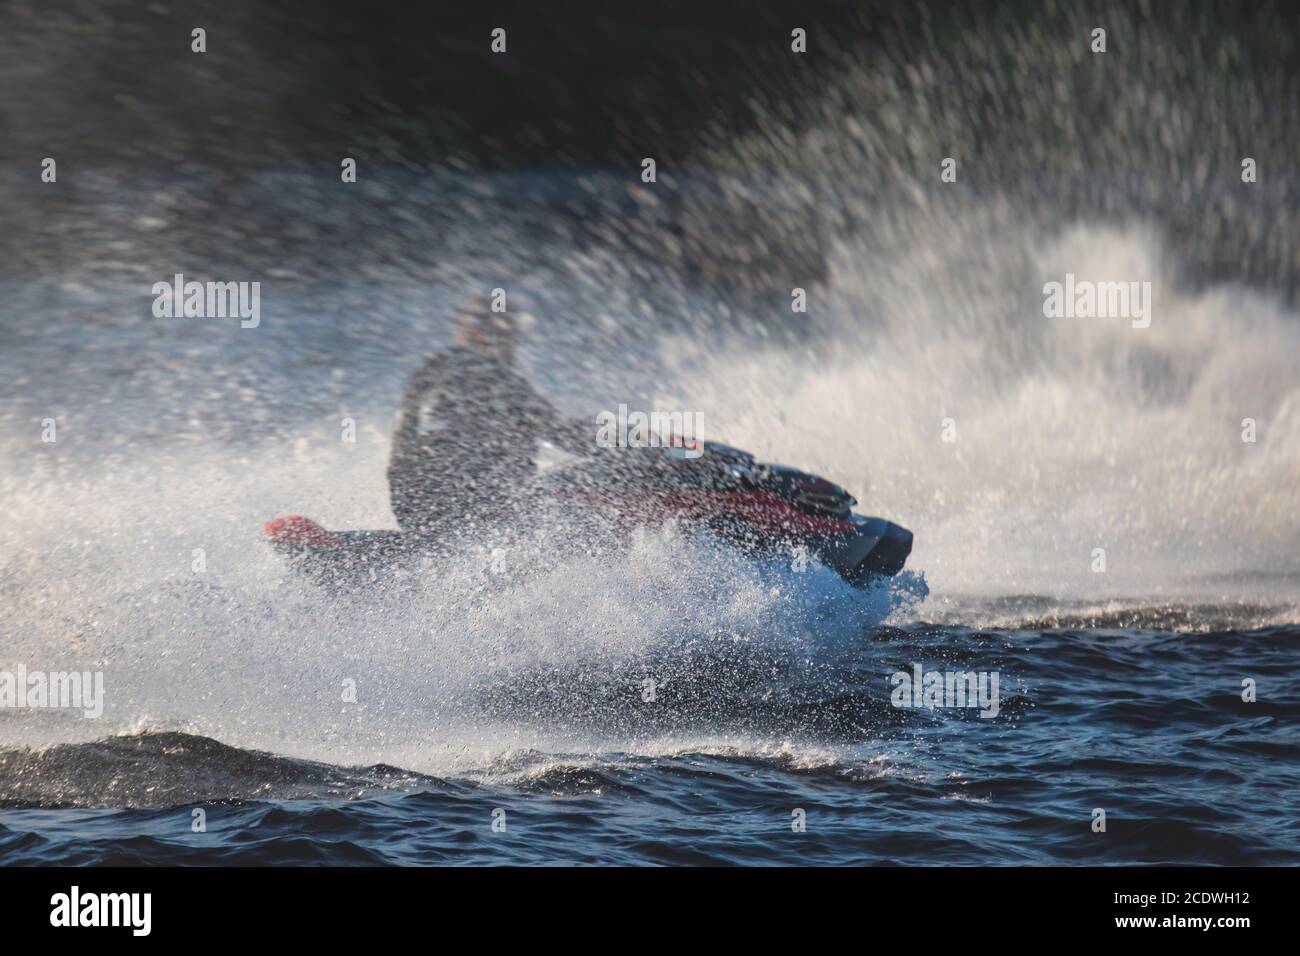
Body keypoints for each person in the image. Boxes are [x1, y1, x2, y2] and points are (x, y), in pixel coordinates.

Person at [387, 295, 590, 536]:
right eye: (509, 334)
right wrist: (630, 439)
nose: (513, 343)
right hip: (484, 522)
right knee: (587, 482)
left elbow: (403, 461)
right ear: (489, 336)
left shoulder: (431, 371)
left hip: (420, 518)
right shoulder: (493, 379)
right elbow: (564, 433)